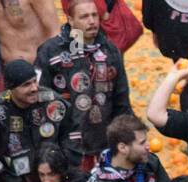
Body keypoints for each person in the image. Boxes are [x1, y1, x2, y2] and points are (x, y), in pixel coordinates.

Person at [35, 0, 133, 166]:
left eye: (94, 15)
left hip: (105, 146)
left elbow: (121, 99)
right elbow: (39, 97)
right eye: (84, 16)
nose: (92, 21)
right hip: (68, 148)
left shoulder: (110, 51)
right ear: (71, 20)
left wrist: (129, 137)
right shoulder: (50, 51)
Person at [0, 59, 79, 182]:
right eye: (26, 85)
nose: (35, 88)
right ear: (11, 88)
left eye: (35, 81)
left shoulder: (53, 102)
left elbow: (72, 136)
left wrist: (62, 173)